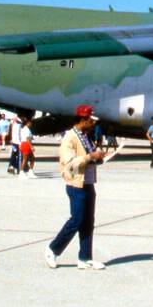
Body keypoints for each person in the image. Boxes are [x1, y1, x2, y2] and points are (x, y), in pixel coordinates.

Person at [46, 105, 107, 270]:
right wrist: (89, 156)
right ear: (83, 120)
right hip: (76, 184)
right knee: (77, 219)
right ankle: (53, 249)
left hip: (88, 183)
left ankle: (85, 257)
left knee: (88, 221)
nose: (93, 124)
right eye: (91, 121)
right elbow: (69, 166)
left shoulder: (86, 137)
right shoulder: (70, 139)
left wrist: (97, 158)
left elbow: (87, 158)